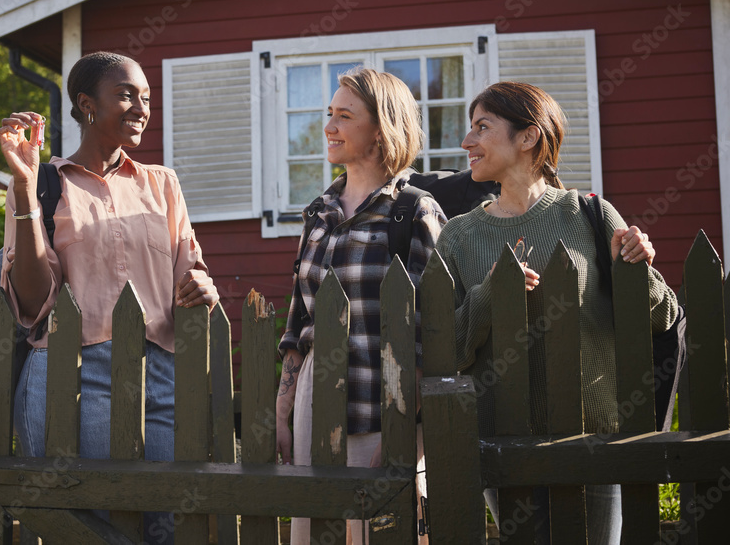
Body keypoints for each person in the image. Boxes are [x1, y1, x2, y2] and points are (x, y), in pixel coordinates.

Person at [435, 81, 678, 544]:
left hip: (594, 439)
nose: (466, 142)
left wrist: (638, 269)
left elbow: (663, 317)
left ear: (527, 138)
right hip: (501, 446)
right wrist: (489, 296)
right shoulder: (459, 236)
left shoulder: (588, 213)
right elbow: (445, 351)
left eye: (482, 128)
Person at [0, 51, 218, 540]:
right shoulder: (43, 185)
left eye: (146, 98)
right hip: (73, 376)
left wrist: (204, 286)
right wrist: (24, 188)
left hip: (162, 376)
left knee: (165, 523)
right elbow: (32, 302)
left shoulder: (163, 185)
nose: (141, 107)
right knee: (91, 523)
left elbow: (191, 272)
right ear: (86, 104)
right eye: (125, 95)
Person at [275, 67, 446, 545]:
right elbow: (299, 319)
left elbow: (434, 329)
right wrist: (284, 405)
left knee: (380, 533)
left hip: (382, 403)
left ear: (382, 127)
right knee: (314, 532)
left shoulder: (414, 211)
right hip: (315, 402)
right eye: (329, 113)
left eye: (344, 116)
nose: (328, 126)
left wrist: (404, 426)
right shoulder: (318, 213)